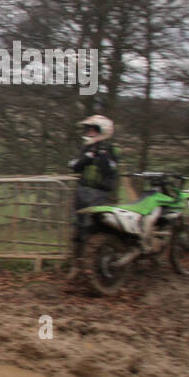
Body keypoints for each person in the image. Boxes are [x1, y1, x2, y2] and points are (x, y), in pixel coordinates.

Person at [67, 114, 120, 272]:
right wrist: (88, 157)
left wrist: (102, 154)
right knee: (79, 225)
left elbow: (110, 170)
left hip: (100, 192)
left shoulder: (111, 149)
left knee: (95, 226)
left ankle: (96, 262)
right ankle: (77, 262)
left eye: (93, 129)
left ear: (102, 131)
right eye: (88, 129)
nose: (89, 132)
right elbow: (74, 166)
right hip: (83, 190)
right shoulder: (86, 148)